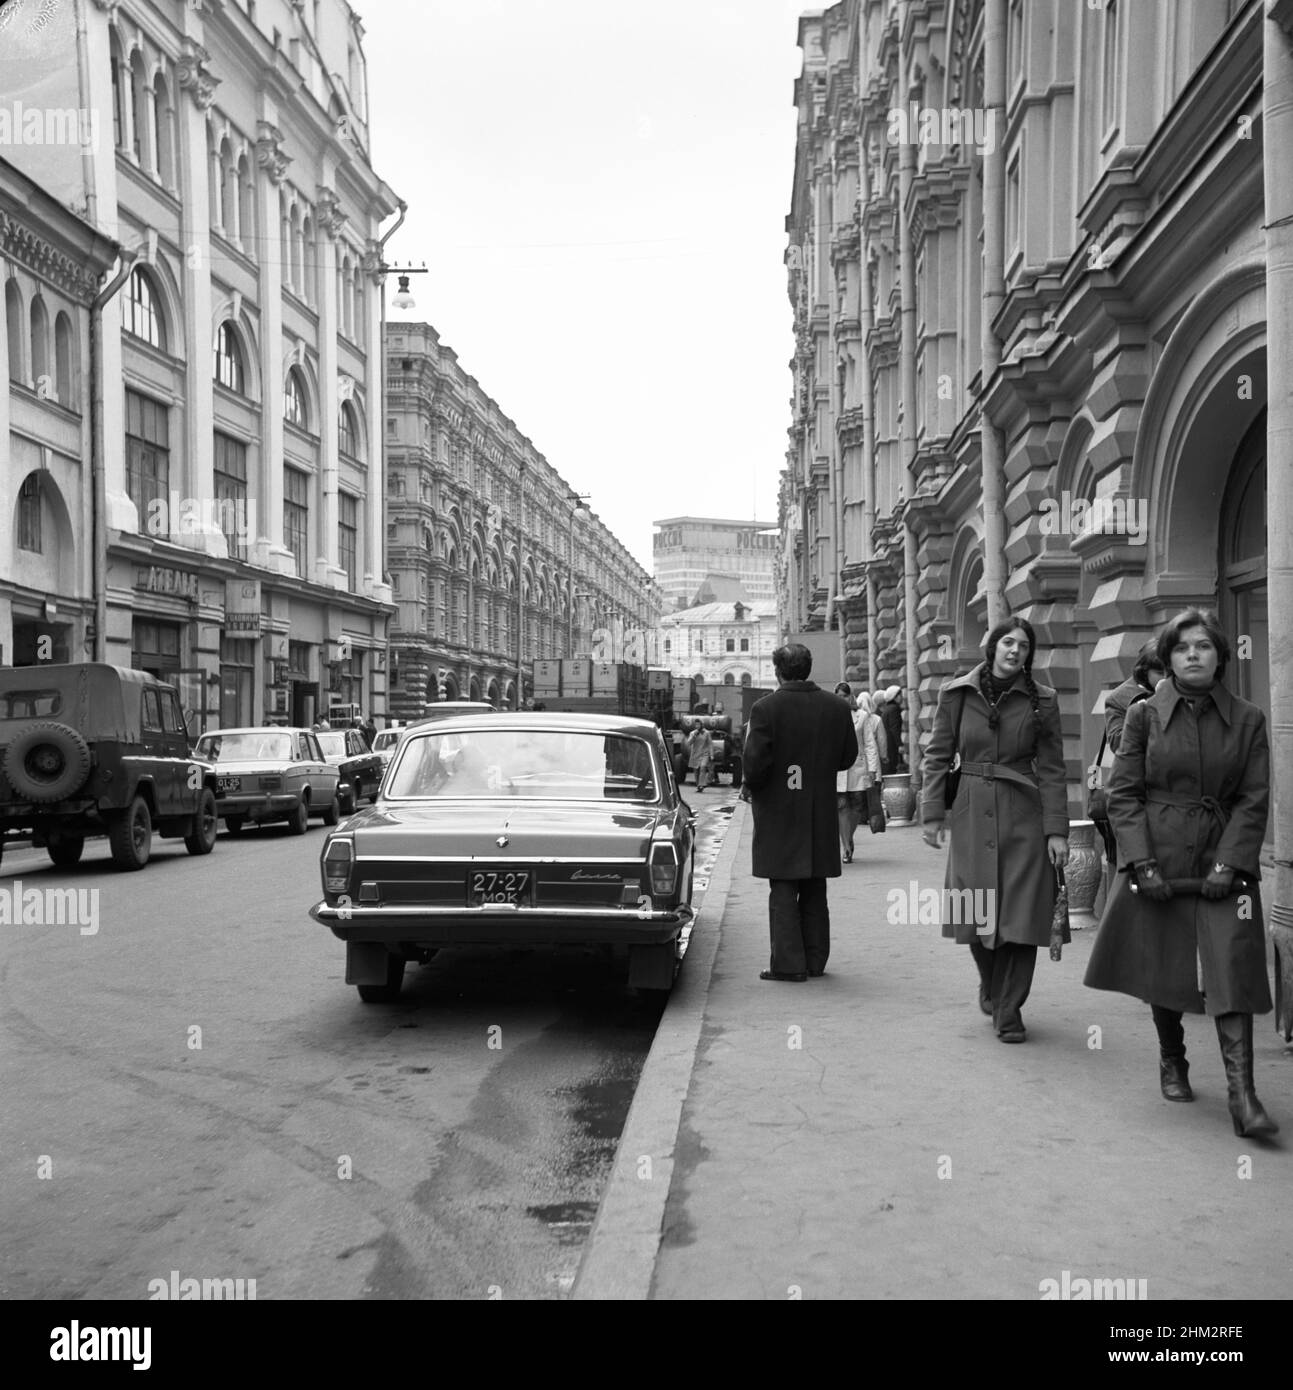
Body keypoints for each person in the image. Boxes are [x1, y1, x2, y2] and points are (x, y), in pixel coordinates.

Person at [1084, 609, 1276, 1136]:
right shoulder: (1144, 715)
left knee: (1232, 967)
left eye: (1204, 646)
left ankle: (1243, 1096)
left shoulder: (1249, 718)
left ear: (1220, 655)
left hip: (1223, 863)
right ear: (1167, 658)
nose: (1194, 654)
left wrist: (1230, 862)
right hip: (1159, 856)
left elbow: (1254, 799)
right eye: (1183, 647)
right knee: (1164, 963)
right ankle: (1172, 1057)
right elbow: (1123, 795)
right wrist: (1141, 863)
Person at [921, 616, 1069, 1042]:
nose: (1015, 651)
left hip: (1024, 811)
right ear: (992, 647)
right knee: (974, 908)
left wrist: (1056, 830)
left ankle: (1009, 1009)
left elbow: (1055, 769)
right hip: (970, 807)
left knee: (1022, 915)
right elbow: (936, 757)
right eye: (1008, 642)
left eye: (1023, 646)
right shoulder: (957, 694)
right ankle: (991, 983)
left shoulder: (1044, 700)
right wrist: (933, 814)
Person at [742, 643, 858, 982]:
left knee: (782, 888)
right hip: (819, 810)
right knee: (814, 887)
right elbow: (847, 757)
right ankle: (815, 961)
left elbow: (754, 765)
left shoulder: (765, 709)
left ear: (778, 672)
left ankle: (788, 964)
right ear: (807, 669)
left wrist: (757, 784)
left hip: (779, 811)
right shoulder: (837, 708)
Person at [1093, 639, 1165, 864]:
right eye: (1159, 671)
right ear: (1145, 670)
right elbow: (1118, 742)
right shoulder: (1120, 697)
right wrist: (1153, 705)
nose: (1166, 678)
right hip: (1137, 793)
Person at [836, 692, 883, 862]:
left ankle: (848, 836)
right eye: (839, 695)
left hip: (858, 768)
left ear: (851, 697)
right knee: (841, 807)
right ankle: (846, 846)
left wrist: (873, 769)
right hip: (838, 769)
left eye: (845, 695)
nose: (843, 698)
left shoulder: (862, 716)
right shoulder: (830, 715)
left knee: (857, 806)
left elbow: (870, 744)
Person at [880, 685, 904, 774]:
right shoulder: (894, 709)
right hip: (891, 745)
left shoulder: (887, 709)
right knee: (891, 770)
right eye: (900, 695)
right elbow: (894, 728)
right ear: (895, 697)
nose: (902, 697)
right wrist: (900, 744)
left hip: (886, 744)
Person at [685, 722, 713, 792]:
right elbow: (688, 743)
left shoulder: (707, 733)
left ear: (701, 725)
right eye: (696, 725)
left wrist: (712, 755)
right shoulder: (692, 733)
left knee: (703, 767)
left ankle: (701, 784)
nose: (697, 726)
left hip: (704, 754)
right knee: (696, 771)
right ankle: (699, 785)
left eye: (699, 724)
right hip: (695, 754)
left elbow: (710, 744)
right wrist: (694, 736)